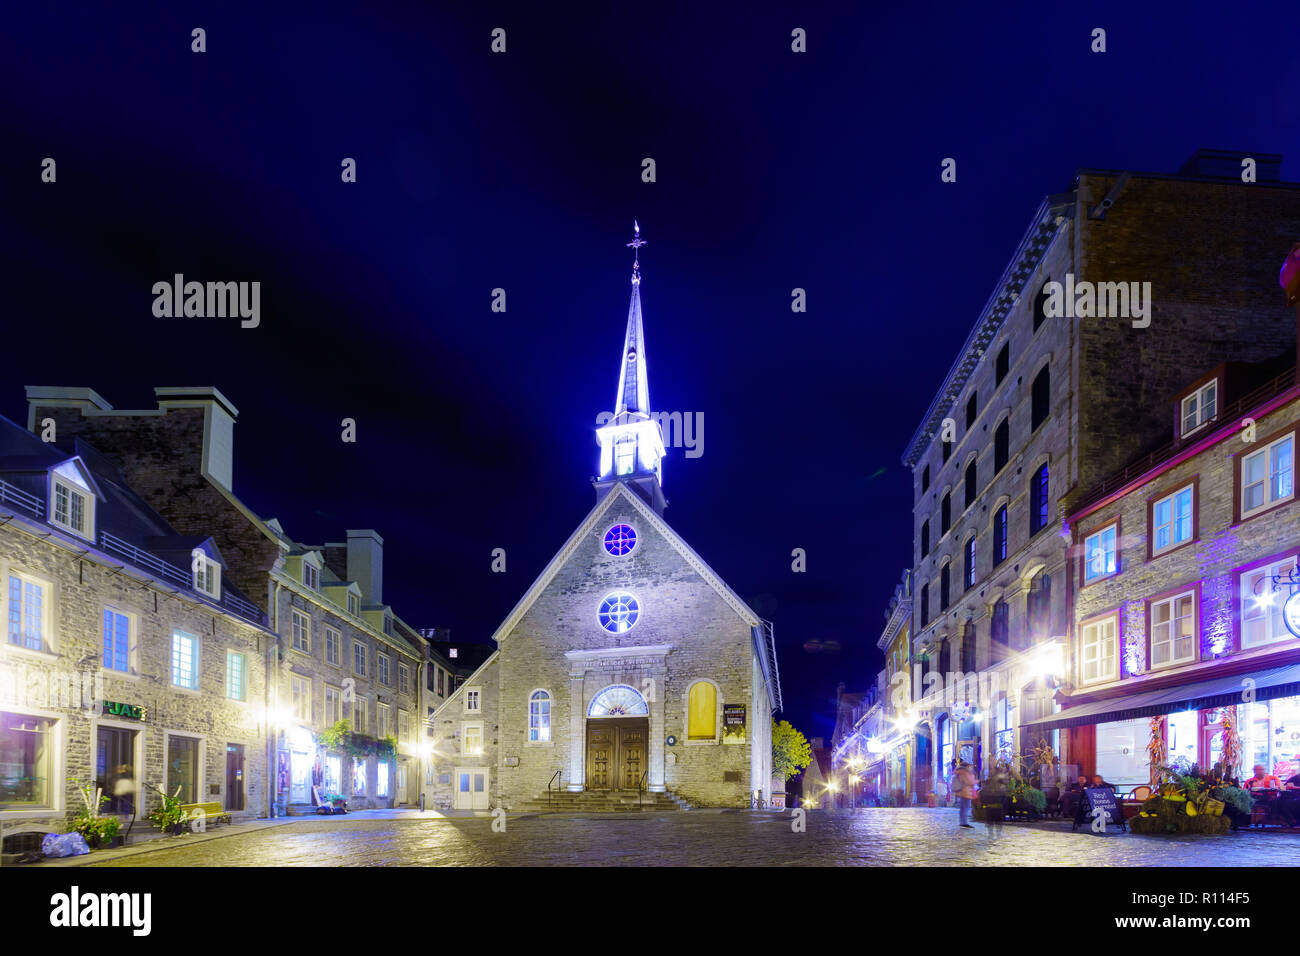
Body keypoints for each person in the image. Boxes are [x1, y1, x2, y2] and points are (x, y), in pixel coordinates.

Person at [952, 761, 976, 829]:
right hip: (966, 792)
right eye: (969, 766)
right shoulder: (965, 773)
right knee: (966, 808)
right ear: (966, 766)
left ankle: (962, 822)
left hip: (963, 792)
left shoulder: (960, 772)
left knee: (963, 808)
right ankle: (964, 822)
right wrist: (975, 781)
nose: (971, 767)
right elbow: (969, 782)